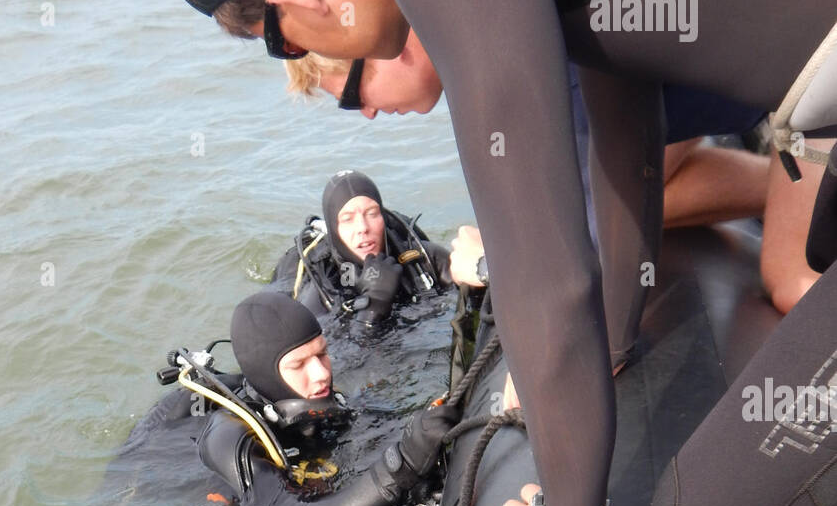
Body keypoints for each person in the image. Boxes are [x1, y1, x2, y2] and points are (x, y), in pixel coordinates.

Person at [149, 0, 837, 506]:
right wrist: (606, 339)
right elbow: (625, 132)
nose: (304, 56)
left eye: (283, 42)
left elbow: (543, 267)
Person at [287, 40, 829, 318]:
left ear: (386, 47)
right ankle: (791, 188)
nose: (367, 115)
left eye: (356, 93)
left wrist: (493, 263)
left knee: (789, 283)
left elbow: (589, 262)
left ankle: (817, 187)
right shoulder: (488, 43)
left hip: (815, 65)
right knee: (643, 191)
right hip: (747, 84)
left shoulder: (542, 70)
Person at [157, 289, 458, 506]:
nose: (321, 374)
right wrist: (402, 463)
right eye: (299, 364)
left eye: (322, 354)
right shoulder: (229, 437)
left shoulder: (315, 398)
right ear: (266, 374)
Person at [271, 170, 452, 326]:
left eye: (372, 214)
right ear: (334, 229)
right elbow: (343, 362)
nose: (363, 228)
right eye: (348, 219)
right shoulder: (320, 294)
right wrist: (375, 303)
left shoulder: (425, 259)